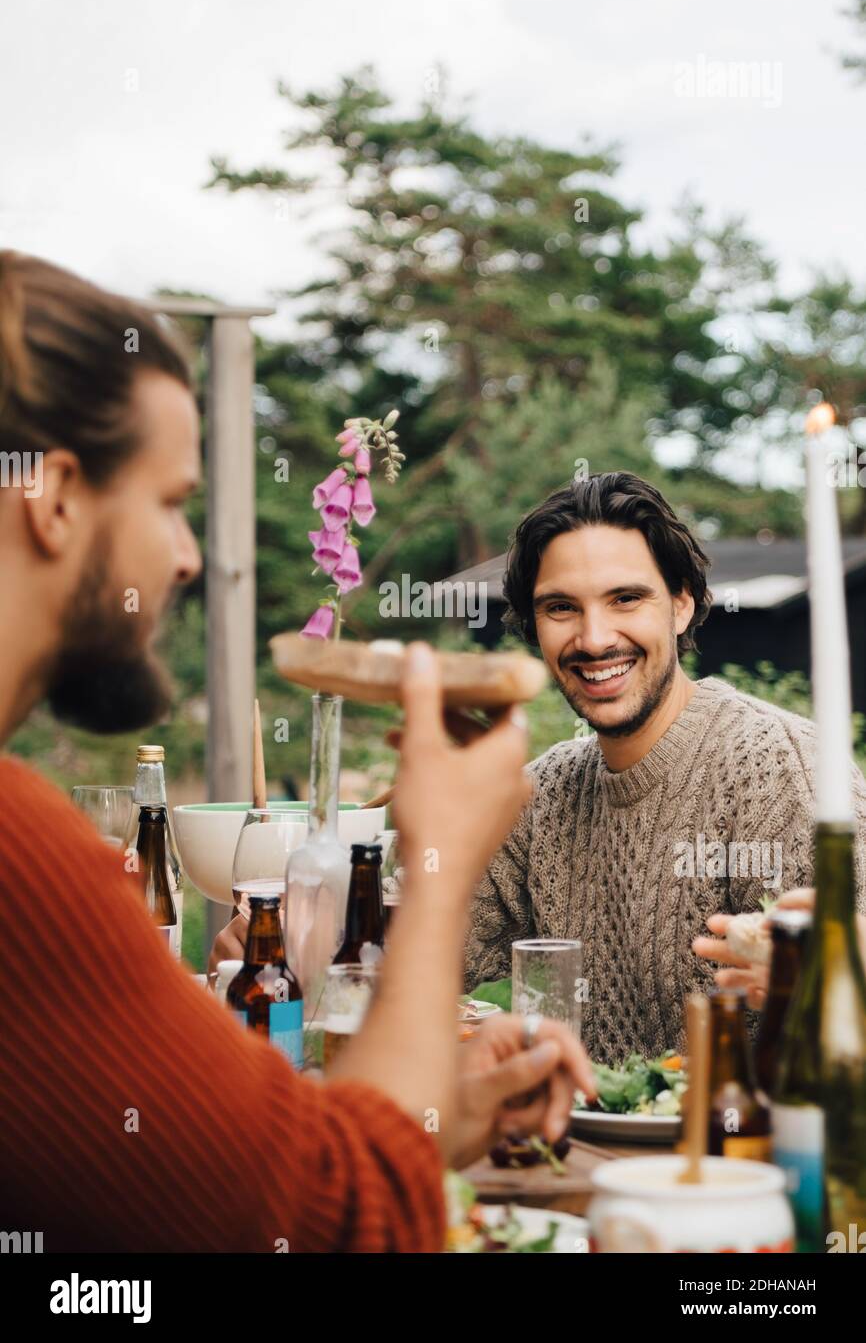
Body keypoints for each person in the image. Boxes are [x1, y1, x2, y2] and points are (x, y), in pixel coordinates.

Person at [0, 251, 593, 1253]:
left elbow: (221, 1174)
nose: (188, 555)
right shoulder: (24, 858)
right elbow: (336, 1221)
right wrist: (438, 858)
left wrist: (439, 1095)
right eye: (172, 499)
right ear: (54, 495)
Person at [462, 474, 866, 1064]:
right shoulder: (540, 794)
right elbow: (431, 967)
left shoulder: (782, 769)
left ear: (681, 603)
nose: (595, 639)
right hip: (570, 1149)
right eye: (560, 608)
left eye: (626, 598)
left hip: (755, 1150)